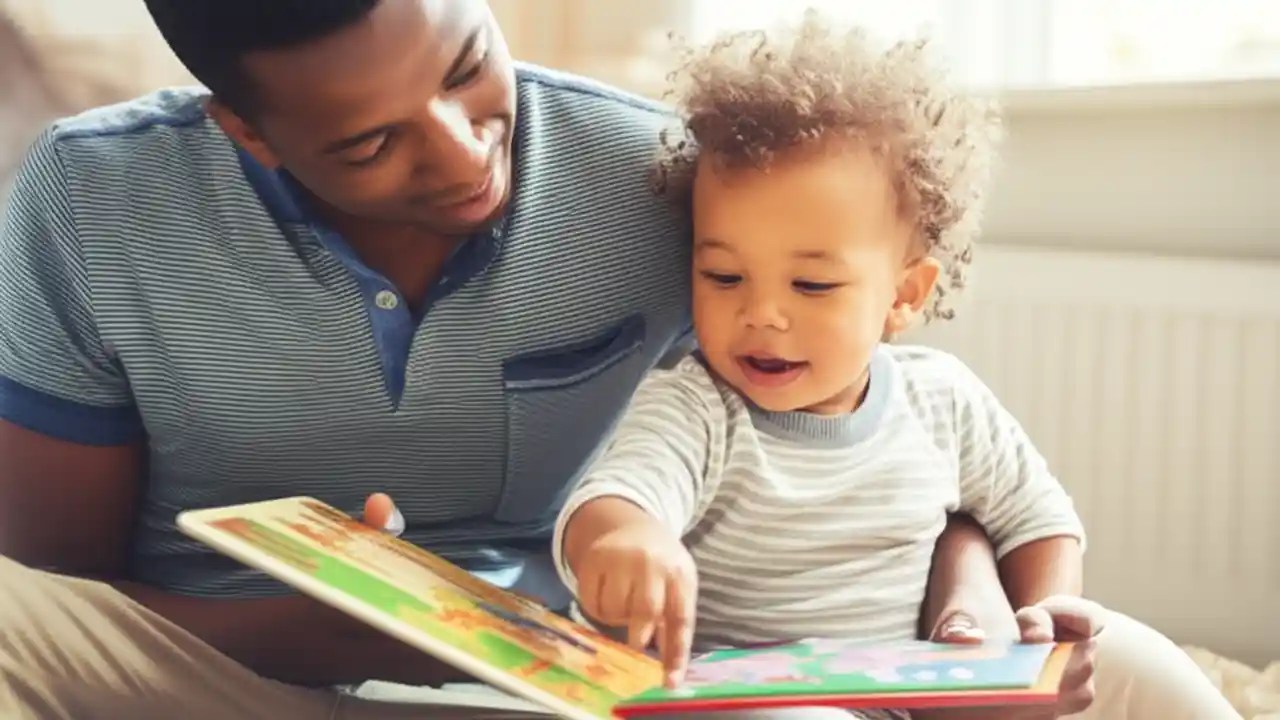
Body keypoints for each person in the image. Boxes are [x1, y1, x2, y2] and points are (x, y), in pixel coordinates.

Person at [0, 1, 1236, 719]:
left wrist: (966, 587)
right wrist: (326, 631)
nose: (459, 155)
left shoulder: (660, 181)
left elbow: (913, 438)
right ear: (248, 133)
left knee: (1125, 670)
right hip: (239, 658)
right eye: (371, 141)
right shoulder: (93, 199)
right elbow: (57, 576)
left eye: (466, 64)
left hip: (569, 670)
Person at [553, 13, 1242, 720]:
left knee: (1134, 658)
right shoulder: (697, 408)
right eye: (724, 276)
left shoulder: (942, 400)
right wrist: (625, 539)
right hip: (754, 702)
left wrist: (1043, 621)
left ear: (905, 295)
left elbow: (1038, 518)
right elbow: (614, 501)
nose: (761, 313)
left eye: (812, 286)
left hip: (921, 694)